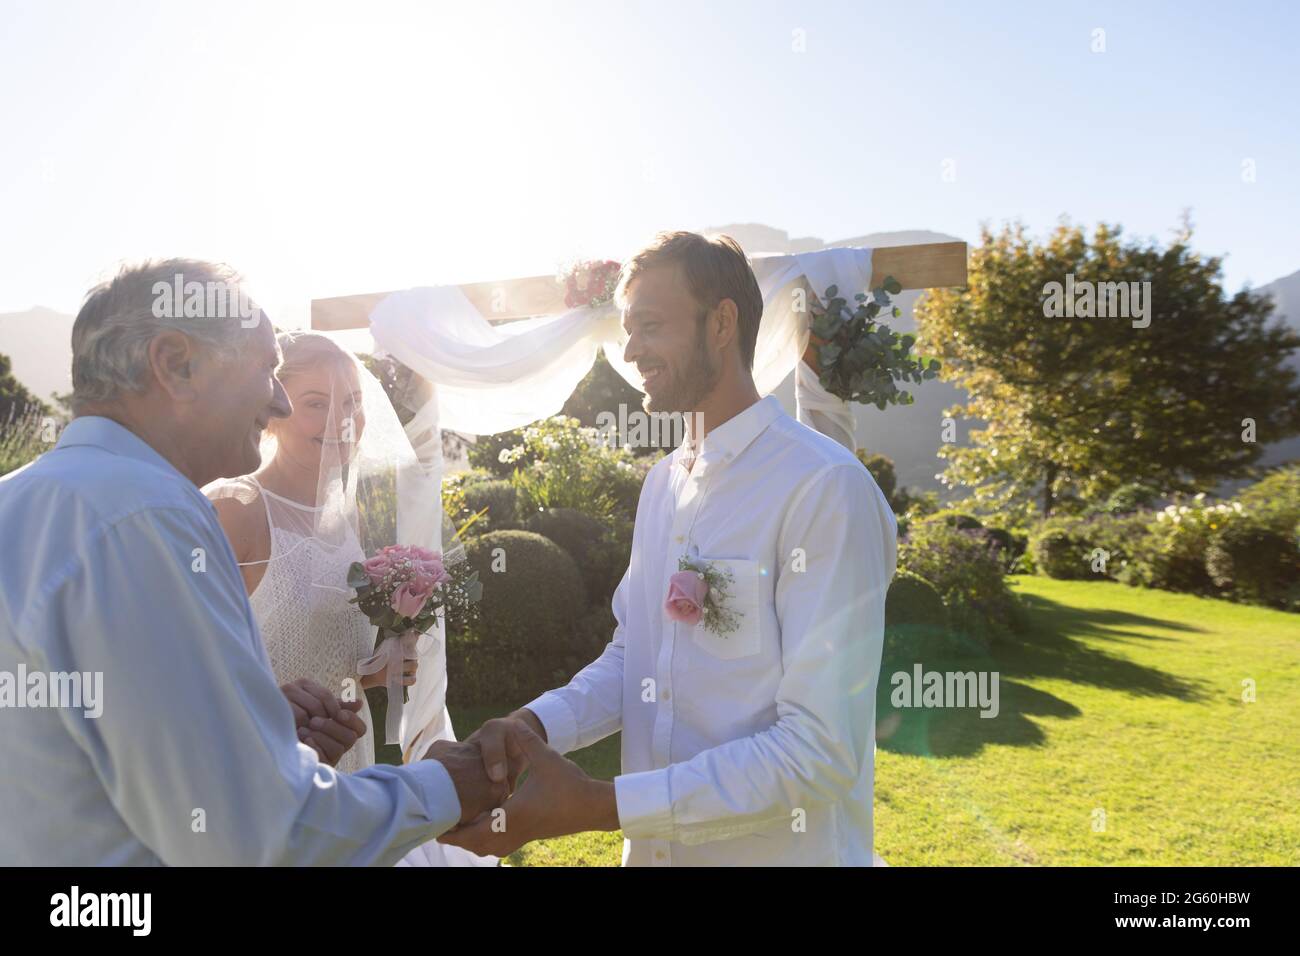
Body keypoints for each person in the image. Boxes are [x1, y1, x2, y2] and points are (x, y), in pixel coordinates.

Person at [0, 259, 506, 865]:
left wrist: (250, 728)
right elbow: (255, 831)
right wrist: (449, 786)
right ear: (174, 364)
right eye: (268, 368)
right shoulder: (154, 519)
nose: (281, 402)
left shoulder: (20, 497)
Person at [441, 232, 898, 865]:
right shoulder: (663, 484)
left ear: (722, 323)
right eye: (628, 330)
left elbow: (820, 751)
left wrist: (605, 805)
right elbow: (636, 657)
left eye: (650, 326)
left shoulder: (824, 487)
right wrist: (532, 726)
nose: (630, 351)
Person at [205, 330, 494, 865]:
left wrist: (374, 670)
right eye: (315, 404)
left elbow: (314, 653)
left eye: (353, 403)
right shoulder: (237, 509)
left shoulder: (348, 517)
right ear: (272, 410)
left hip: (348, 762)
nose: (342, 421)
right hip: (266, 772)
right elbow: (193, 668)